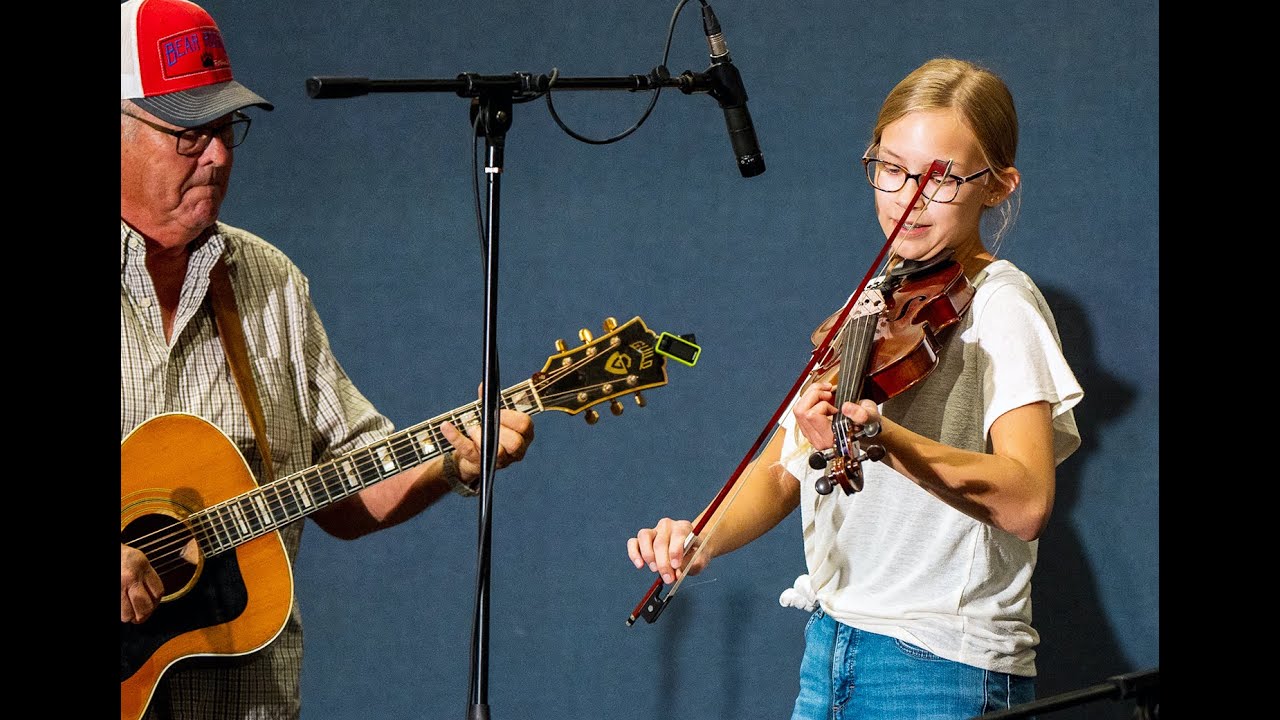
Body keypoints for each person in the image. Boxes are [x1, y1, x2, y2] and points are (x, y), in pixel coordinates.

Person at [626, 56, 1083, 719]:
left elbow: (1028, 501)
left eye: (940, 178)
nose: (908, 197)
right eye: (891, 168)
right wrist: (700, 537)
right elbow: (783, 471)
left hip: (940, 663)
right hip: (832, 646)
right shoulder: (872, 303)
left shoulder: (1001, 305)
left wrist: (884, 439)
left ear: (997, 185)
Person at [119, 0, 536, 718]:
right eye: (189, 134)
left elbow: (347, 486)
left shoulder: (271, 282)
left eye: (227, 128)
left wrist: (452, 462)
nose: (218, 156)